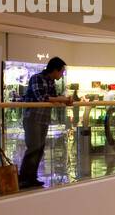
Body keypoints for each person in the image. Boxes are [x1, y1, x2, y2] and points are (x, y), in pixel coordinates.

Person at [17, 57, 73, 189]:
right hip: (33, 117)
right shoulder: (36, 78)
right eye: (61, 71)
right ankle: (24, 178)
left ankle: (32, 177)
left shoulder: (51, 82)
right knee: (34, 147)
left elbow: (54, 99)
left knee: (40, 148)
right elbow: (42, 97)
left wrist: (64, 100)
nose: (62, 74)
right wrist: (62, 99)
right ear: (55, 70)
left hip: (43, 119)